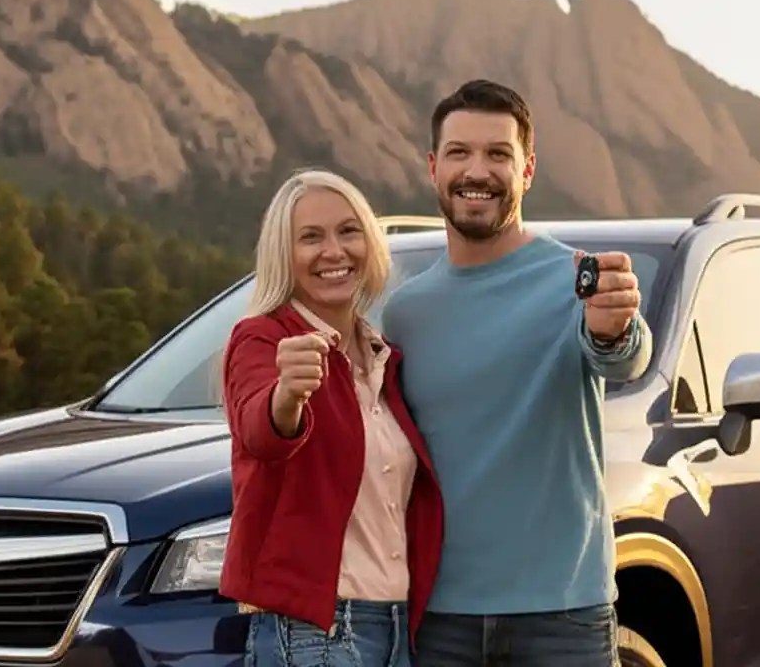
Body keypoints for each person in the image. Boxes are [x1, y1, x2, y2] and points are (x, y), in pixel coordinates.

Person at [380, 79, 651, 666]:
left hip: (562, 617)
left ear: (526, 170)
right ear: (433, 167)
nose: (477, 169)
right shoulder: (405, 312)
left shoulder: (577, 280)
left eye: (498, 154)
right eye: (460, 152)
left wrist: (614, 327)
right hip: (435, 618)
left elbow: (621, 353)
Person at [218, 168, 445, 667]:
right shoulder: (263, 339)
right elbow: (260, 430)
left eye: (348, 231)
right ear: (284, 254)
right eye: (310, 238)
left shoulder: (383, 358)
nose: (334, 251)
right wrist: (287, 396)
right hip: (315, 634)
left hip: (399, 630)